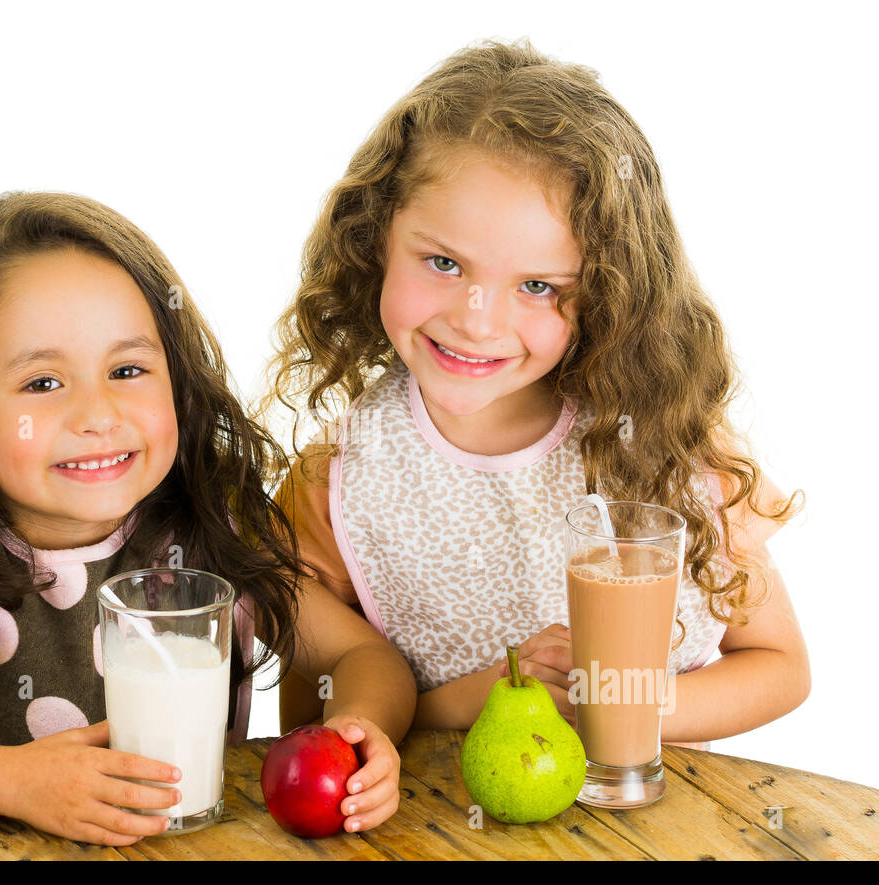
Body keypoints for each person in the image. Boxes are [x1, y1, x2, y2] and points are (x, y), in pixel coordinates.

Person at [257, 39, 809, 747]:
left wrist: (621, 703)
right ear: (375, 239)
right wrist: (476, 696)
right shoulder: (335, 481)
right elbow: (315, 729)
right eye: (444, 262)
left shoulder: (670, 442)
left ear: (606, 293)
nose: (477, 318)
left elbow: (780, 666)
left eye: (539, 286)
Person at [0, 191, 414, 848]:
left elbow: (361, 654)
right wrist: (17, 781)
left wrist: (358, 736)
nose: (98, 413)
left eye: (128, 369)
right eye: (43, 383)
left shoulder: (210, 525)